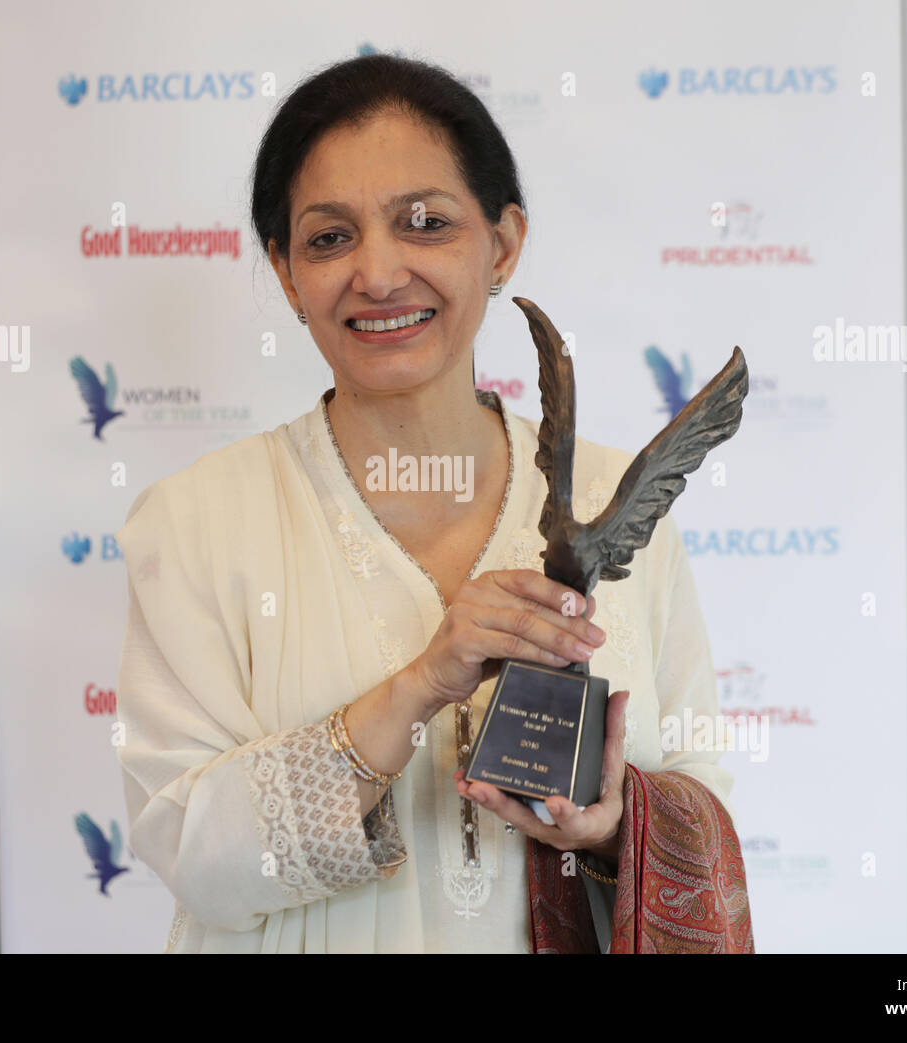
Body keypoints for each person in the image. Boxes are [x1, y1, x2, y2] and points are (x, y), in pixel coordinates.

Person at [113, 53, 753, 953]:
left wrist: (608, 826)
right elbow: (192, 854)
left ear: (501, 244)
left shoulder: (612, 499)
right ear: (286, 274)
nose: (377, 274)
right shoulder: (193, 523)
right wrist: (419, 685)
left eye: (425, 223)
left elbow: (697, 796)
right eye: (329, 238)